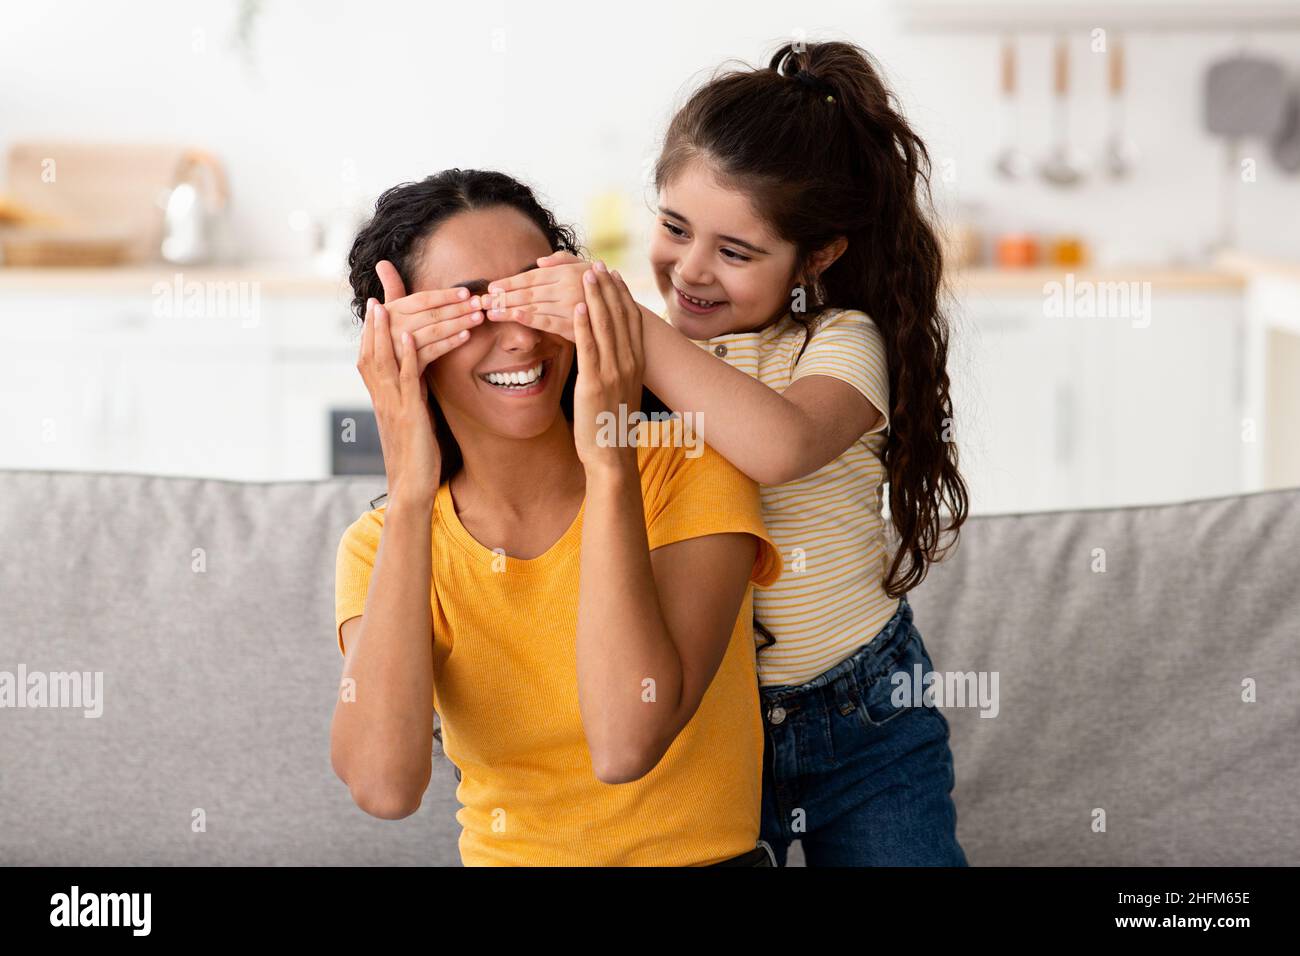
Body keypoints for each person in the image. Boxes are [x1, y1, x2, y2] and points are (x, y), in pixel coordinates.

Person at [480, 41, 970, 865]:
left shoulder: (841, 345)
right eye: (674, 228)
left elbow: (778, 444)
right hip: (720, 729)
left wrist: (626, 326)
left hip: (867, 716)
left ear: (817, 257)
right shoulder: (639, 363)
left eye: (736, 253)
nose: (691, 270)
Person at [330, 168, 783, 866]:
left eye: (535, 293)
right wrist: (411, 492)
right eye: (471, 305)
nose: (519, 337)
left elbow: (626, 743)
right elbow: (383, 787)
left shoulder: (688, 468)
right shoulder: (380, 547)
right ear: (400, 344)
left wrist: (608, 463)